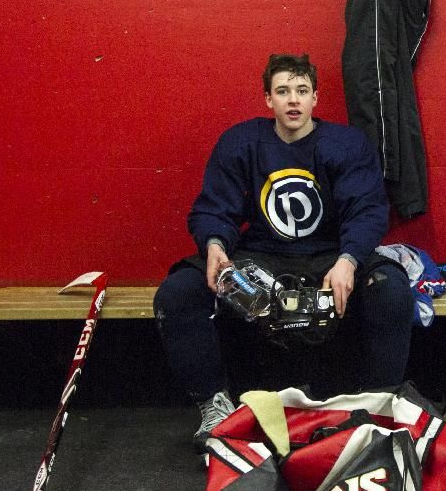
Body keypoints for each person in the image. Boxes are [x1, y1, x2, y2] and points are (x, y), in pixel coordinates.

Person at [154, 54, 414, 450]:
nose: (293, 100)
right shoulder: (241, 142)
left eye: (302, 91)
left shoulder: (345, 145)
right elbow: (213, 207)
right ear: (267, 100)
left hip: (330, 255)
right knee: (178, 292)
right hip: (261, 255)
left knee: (391, 289)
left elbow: (367, 211)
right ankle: (215, 407)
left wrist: (350, 260)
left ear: (315, 98)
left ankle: (377, 406)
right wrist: (215, 245)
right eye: (283, 91)